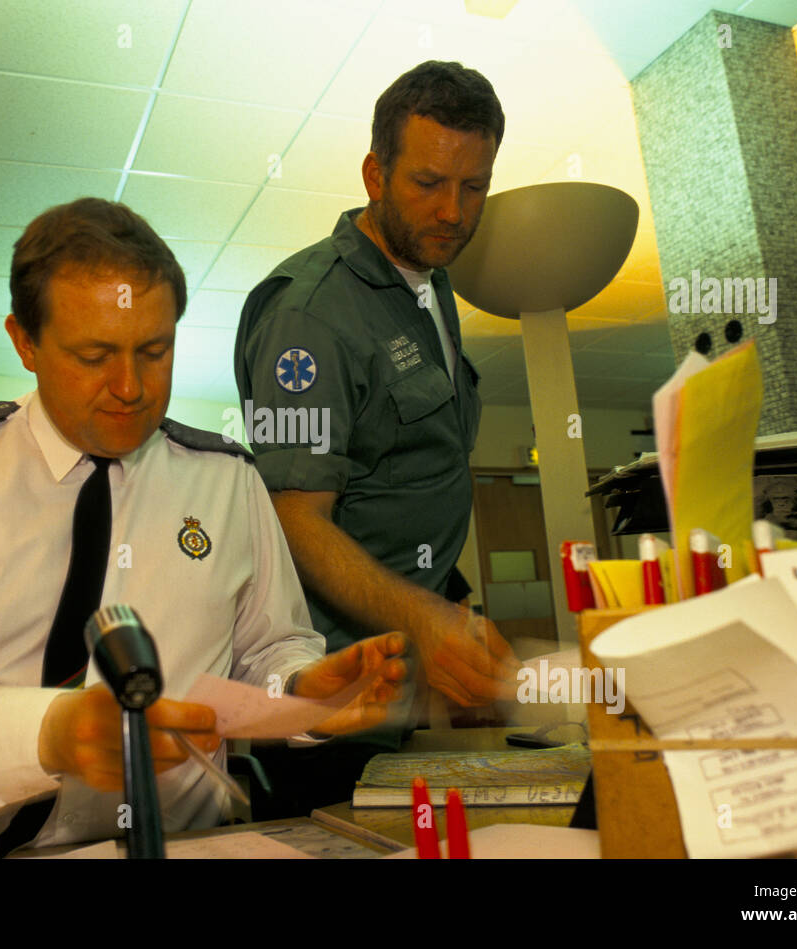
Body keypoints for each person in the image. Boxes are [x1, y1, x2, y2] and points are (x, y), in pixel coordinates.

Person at [0, 198, 406, 858]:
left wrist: (300, 688)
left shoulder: (227, 479)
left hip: (183, 846)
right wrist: (47, 732)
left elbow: (267, 650)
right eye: (94, 355)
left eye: (154, 350)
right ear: (24, 341)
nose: (130, 386)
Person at [233, 61, 521, 811]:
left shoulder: (430, 282)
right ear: (374, 173)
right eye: (429, 182)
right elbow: (293, 521)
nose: (453, 211)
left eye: (474, 186)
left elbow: (409, 481)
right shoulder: (310, 315)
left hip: (399, 682)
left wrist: (456, 616)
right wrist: (425, 620)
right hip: (324, 702)